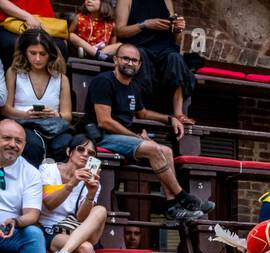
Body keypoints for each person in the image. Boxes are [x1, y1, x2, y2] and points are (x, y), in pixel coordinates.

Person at [83, 44, 209, 223]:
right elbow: (105, 121)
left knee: (166, 151)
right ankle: (183, 197)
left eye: (134, 60)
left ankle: (172, 205)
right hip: (101, 137)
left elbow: (142, 113)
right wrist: (135, 137)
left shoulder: (133, 87)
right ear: (116, 60)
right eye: (126, 58)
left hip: (122, 138)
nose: (130, 63)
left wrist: (170, 118)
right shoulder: (103, 81)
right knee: (154, 149)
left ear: (140, 65)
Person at [40, 134, 107, 253]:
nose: (85, 155)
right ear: (69, 151)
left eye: (91, 153)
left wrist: (91, 192)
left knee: (100, 210)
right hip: (49, 229)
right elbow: (49, 203)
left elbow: (82, 217)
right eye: (81, 149)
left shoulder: (91, 181)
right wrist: (72, 183)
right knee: (85, 249)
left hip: (76, 229)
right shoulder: (48, 170)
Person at [113, 0, 193, 121]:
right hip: (140, 45)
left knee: (175, 58)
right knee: (140, 56)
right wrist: (145, 25)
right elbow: (119, 31)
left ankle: (178, 113)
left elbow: (174, 34)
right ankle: (138, 110)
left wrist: (176, 28)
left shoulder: (167, 1)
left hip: (164, 47)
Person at [4, 28, 71, 166]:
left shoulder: (61, 79)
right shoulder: (14, 73)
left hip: (53, 126)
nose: (37, 59)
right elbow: (5, 109)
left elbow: (67, 116)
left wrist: (54, 113)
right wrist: (26, 114)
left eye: (43, 54)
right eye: (33, 53)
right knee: (34, 144)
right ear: (25, 52)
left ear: (51, 55)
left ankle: (54, 182)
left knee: (65, 144)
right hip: (23, 123)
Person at [0, 118, 43, 253]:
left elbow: (32, 214)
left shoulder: (30, 173)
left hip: (9, 232)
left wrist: (16, 222)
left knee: (34, 235)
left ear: (24, 145)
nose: (13, 144)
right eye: (6, 138)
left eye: (18, 141)